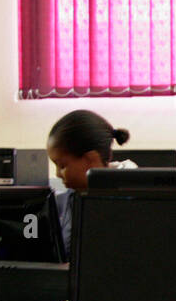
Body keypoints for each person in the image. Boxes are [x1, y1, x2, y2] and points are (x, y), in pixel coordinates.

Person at [45, 109, 134, 257]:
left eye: (62, 166)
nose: (57, 174)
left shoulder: (126, 201)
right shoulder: (71, 198)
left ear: (90, 159)